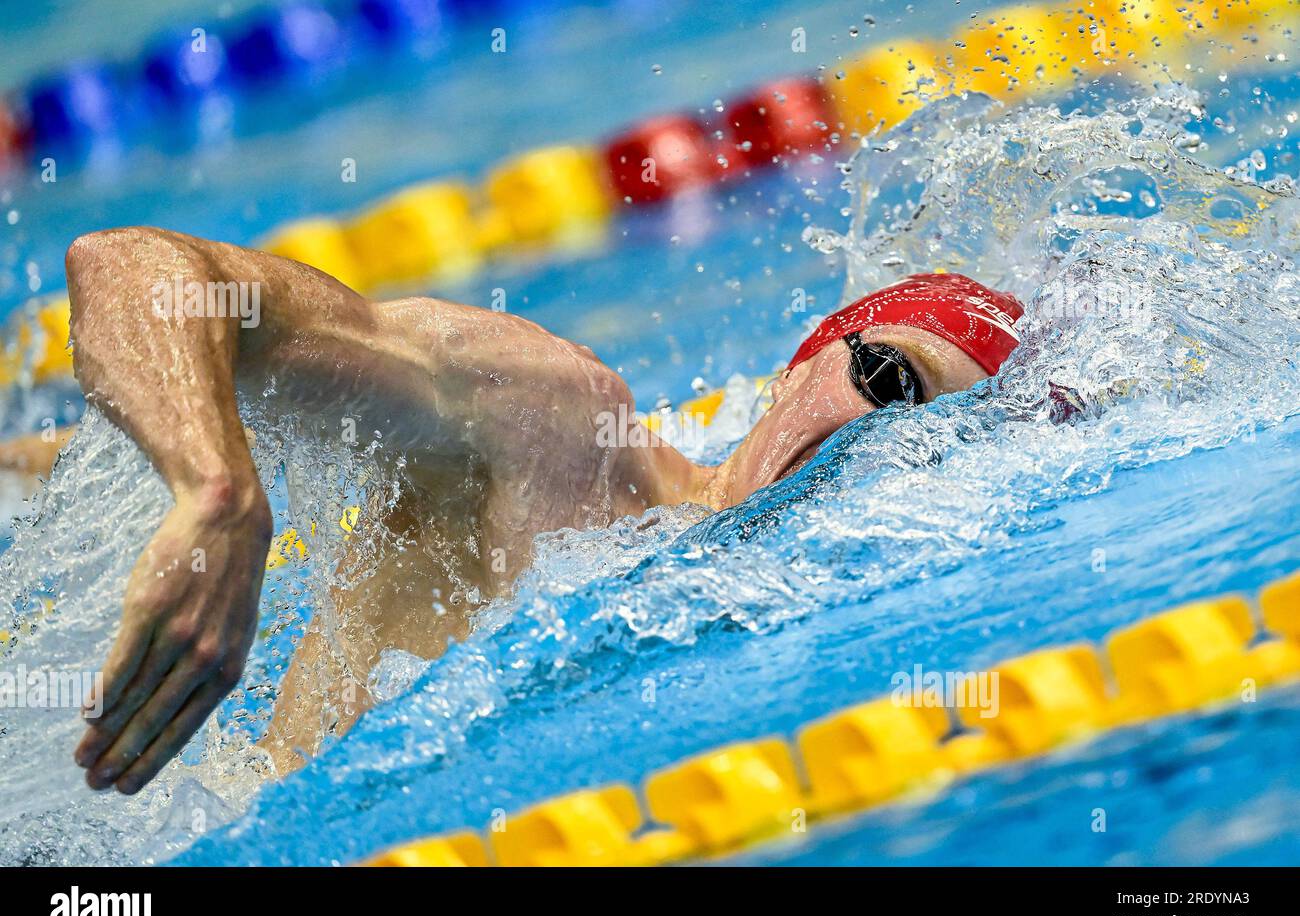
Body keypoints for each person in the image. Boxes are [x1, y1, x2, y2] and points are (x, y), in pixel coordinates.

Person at [9, 226, 1022, 793]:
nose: (883, 438)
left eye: (937, 439)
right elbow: (134, 269)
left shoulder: (823, 664)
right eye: (890, 379)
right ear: (806, 357)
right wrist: (213, 488)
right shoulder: (554, 421)